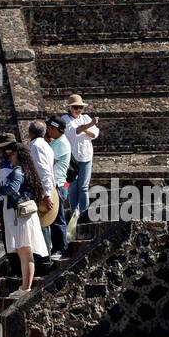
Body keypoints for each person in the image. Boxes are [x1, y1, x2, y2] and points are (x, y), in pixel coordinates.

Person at [2, 141, 49, 292]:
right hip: (25, 215)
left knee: (24, 251)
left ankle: (25, 286)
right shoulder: (27, 171)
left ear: (18, 154)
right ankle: (25, 285)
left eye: (13, 153)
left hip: (20, 215)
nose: (10, 156)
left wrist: (0, 187)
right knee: (25, 251)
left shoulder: (17, 171)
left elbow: (11, 189)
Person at [64, 95, 100, 247]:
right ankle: (74, 214)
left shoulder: (85, 118)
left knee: (83, 187)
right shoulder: (65, 119)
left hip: (86, 157)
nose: (78, 110)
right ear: (70, 108)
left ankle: (83, 214)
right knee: (73, 187)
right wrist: (89, 126)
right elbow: (74, 132)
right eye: (75, 107)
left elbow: (95, 134)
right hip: (72, 159)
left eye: (80, 107)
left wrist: (87, 128)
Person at [26, 121, 59, 258]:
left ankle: (45, 258)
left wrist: (46, 194)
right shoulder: (46, 145)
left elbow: (43, 171)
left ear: (30, 133)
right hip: (47, 188)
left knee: (41, 224)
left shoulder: (35, 146)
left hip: (41, 190)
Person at [45, 115, 72, 256]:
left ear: (54, 128)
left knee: (58, 219)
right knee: (55, 219)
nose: (47, 130)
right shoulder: (57, 142)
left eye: (49, 128)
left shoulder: (60, 144)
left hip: (58, 186)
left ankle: (61, 248)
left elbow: (48, 163)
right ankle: (57, 247)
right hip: (56, 185)